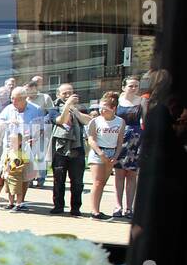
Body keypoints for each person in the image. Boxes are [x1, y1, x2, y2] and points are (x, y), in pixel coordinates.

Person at [0, 86, 45, 211]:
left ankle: (19, 202)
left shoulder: (36, 110)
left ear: (24, 98)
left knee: (25, 175)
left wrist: (35, 137)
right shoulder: (8, 109)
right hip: (9, 148)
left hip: (26, 149)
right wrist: (7, 122)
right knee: (2, 173)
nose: (13, 102)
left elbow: (41, 128)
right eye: (12, 98)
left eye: (16, 99)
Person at [46, 84, 91, 217]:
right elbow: (61, 120)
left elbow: (87, 121)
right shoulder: (53, 108)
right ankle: (58, 206)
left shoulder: (81, 107)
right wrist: (68, 106)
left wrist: (75, 110)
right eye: (65, 93)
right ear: (58, 95)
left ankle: (75, 208)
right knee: (58, 179)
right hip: (60, 149)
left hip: (77, 149)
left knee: (77, 181)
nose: (68, 96)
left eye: (70, 93)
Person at [87, 92, 125, 221]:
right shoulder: (95, 121)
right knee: (97, 182)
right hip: (98, 152)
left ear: (113, 108)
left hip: (112, 152)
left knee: (103, 183)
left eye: (105, 108)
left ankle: (97, 209)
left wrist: (116, 156)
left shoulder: (120, 122)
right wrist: (100, 153)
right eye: (100, 108)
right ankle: (94, 211)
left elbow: (120, 141)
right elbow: (91, 140)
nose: (101, 111)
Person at [115, 76, 144, 219]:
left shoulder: (142, 101)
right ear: (123, 87)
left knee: (132, 174)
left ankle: (129, 208)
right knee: (119, 174)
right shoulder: (117, 101)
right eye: (131, 86)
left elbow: (146, 121)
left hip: (135, 138)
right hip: (119, 137)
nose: (133, 88)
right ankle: (118, 206)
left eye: (136, 86)